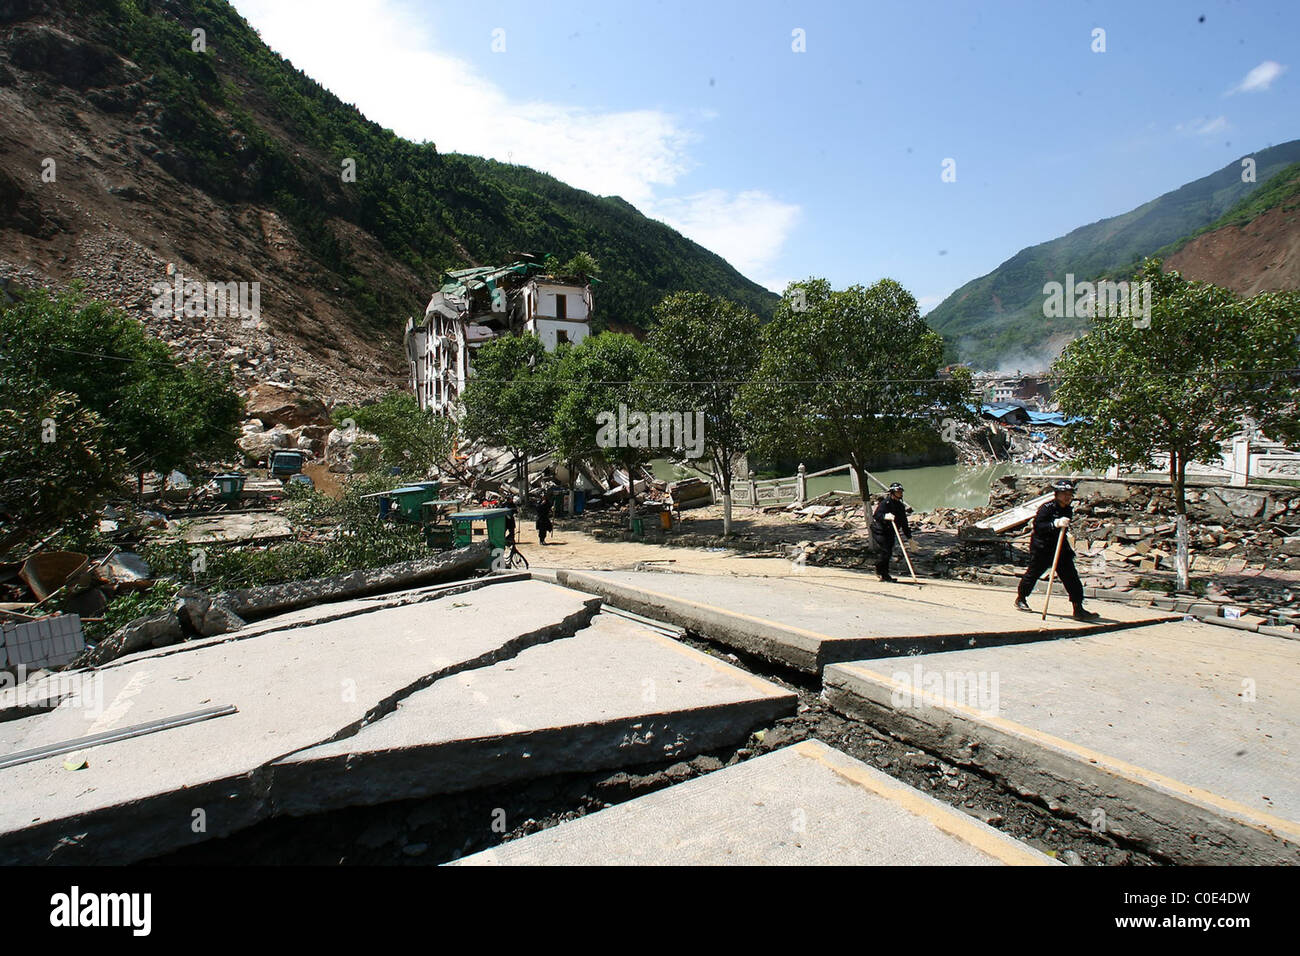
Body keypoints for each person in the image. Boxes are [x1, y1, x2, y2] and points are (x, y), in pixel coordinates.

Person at [1015, 479, 1100, 620]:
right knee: (1033, 574)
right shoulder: (1046, 508)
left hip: (1060, 547)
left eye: (1069, 494)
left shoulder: (1067, 509)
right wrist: (1054, 524)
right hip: (1042, 547)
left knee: (1071, 577)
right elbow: (1038, 526)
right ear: (1057, 494)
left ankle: (1078, 608)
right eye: (1064, 494)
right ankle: (1021, 598)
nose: (1067, 497)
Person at [871, 482, 912, 582]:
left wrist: (909, 537)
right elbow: (876, 515)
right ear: (893, 492)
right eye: (898, 492)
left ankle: (884, 573)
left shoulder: (900, 506)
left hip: (891, 531)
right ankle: (881, 572)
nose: (900, 493)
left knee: (888, 553)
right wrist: (885, 516)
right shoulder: (885, 503)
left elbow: (904, 523)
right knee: (886, 551)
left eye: (901, 492)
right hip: (880, 531)